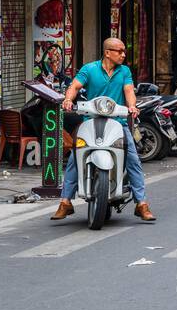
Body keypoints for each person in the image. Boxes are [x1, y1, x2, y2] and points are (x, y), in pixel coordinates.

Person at [51, 37, 155, 222]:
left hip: (118, 124)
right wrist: (68, 99)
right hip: (90, 121)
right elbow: (74, 86)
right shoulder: (89, 69)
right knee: (76, 157)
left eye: (124, 51)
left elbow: (129, 91)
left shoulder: (124, 71)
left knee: (133, 160)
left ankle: (141, 203)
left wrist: (132, 106)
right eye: (119, 51)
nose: (123, 55)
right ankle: (65, 202)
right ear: (107, 53)